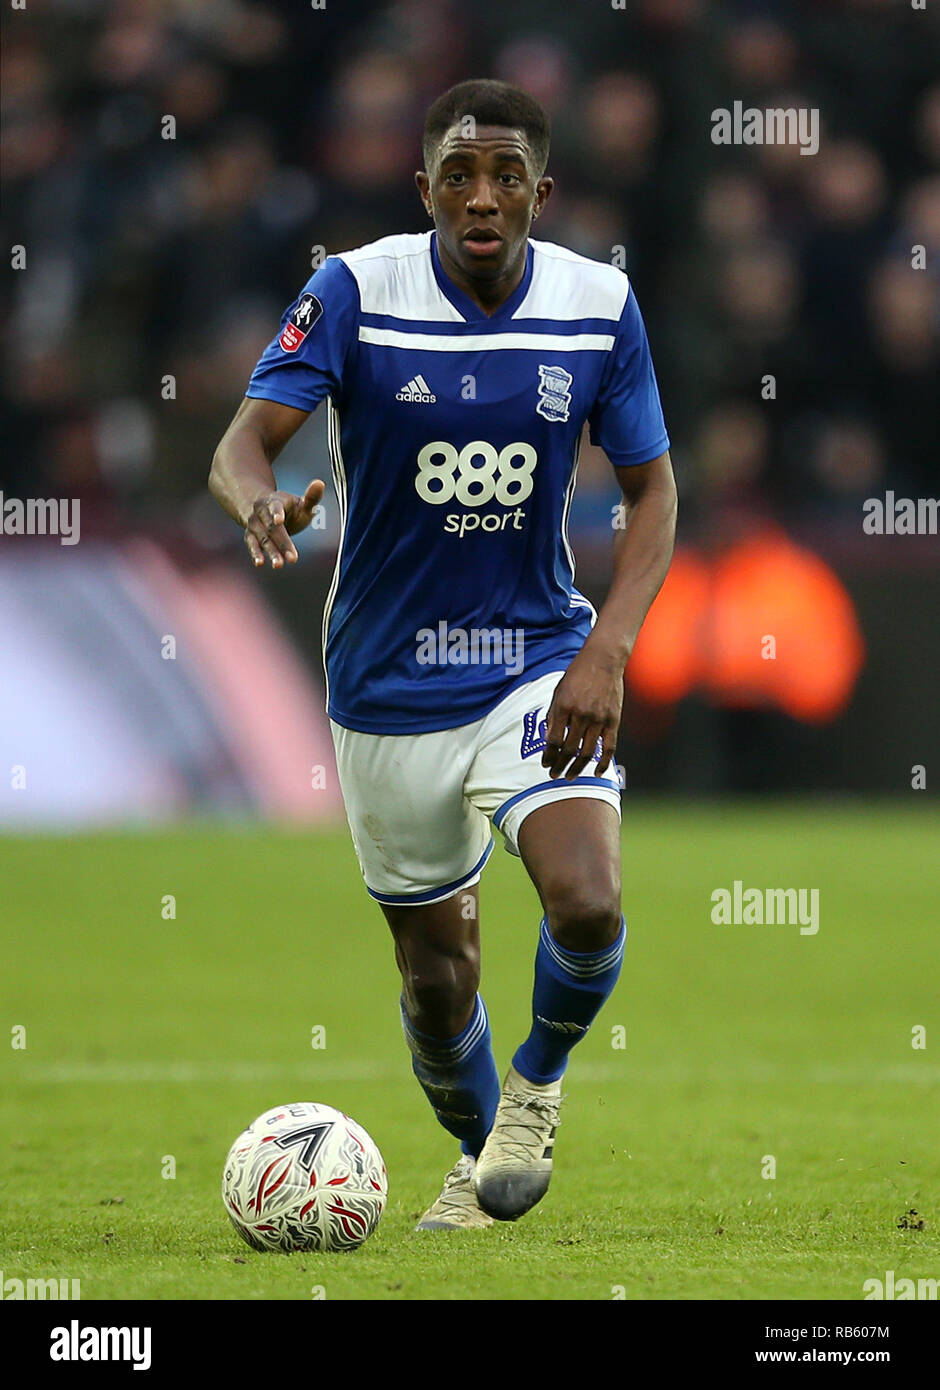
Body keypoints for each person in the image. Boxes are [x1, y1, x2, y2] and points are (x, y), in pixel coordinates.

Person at [209, 79, 677, 1229]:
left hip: (534, 658)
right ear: (422, 189)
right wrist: (259, 503)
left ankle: (537, 1089)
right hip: (386, 683)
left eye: (506, 177)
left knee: (587, 900)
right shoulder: (354, 289)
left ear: (541, 193)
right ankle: (476, 1149)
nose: (482, 197)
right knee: (434, 982)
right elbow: (240, 443)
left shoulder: (596, 303)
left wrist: (606, 650)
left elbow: (654, 487)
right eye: (458, 176)